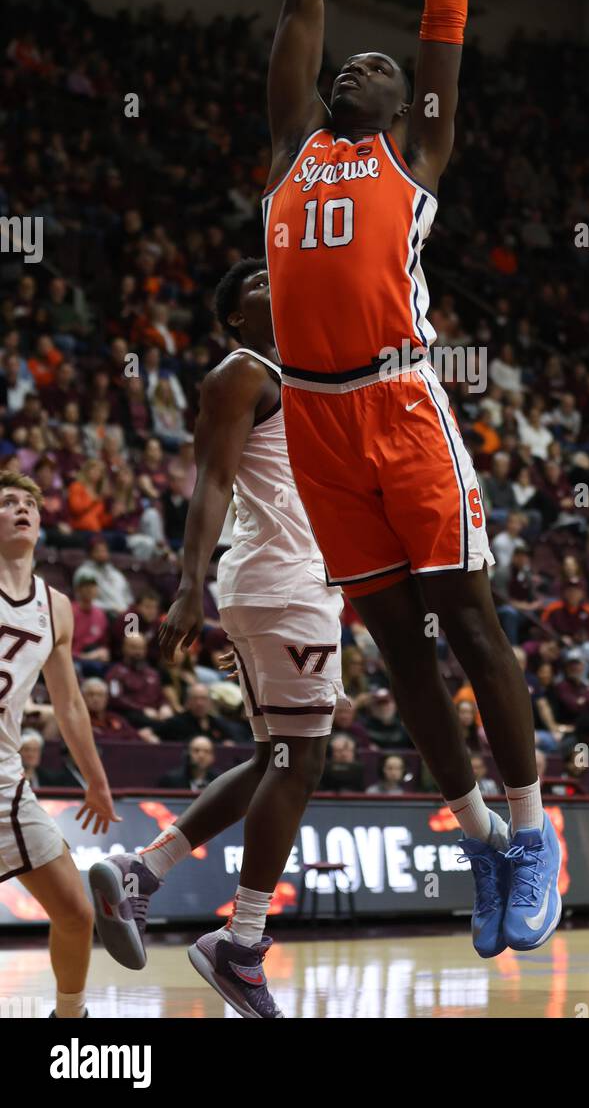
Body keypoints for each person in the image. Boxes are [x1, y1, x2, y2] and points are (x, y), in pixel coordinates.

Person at [261, 0, 559, 958]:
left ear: (403, 108)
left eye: (380, 69)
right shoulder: (290, 147)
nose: (361, 65)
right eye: (353, 63)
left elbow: (443, 17)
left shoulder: (416, 154)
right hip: (315, 419)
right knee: (393, 648)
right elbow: (303, 0)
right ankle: (482, 834)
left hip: (396, 400)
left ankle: (537, 834)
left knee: (465, 621)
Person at [89, 262, 344, 1019]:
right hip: (276, 585)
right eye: (255, 285)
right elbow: (212, 483)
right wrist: (186, 586)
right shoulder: (242, 371)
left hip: (300, 588)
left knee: (278, 756)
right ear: (236, 318)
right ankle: (241, 942)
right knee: (301, 762)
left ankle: (144, 870)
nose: (276, 282)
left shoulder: (306, 377)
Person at [0, 470, 116, 1018]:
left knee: (75, 911)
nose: (21, 509)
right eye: (6, 503)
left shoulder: (56, 607)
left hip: (5, 779)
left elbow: (69, 704)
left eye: (29, 504)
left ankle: (70, 1023)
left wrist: (95, 779)